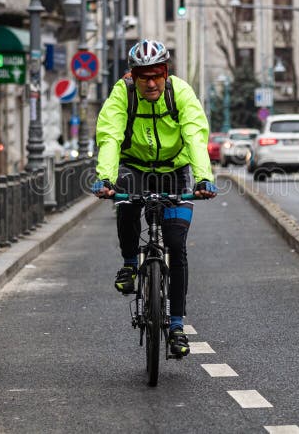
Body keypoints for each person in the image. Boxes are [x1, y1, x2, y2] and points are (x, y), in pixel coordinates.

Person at [92, 39, 217, 357]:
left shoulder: (181, 93)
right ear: (132, 75)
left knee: (176, 246)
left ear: (166, 73)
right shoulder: (124, 94)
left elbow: (195, 135)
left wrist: (204, 177)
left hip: (175, 171)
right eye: (143, 75)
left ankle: (176, 326)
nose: (151, 82)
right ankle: (130, 263)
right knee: (125, 201)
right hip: (135, 166)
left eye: (157, 74)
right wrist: (105, 177)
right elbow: (110, 135)